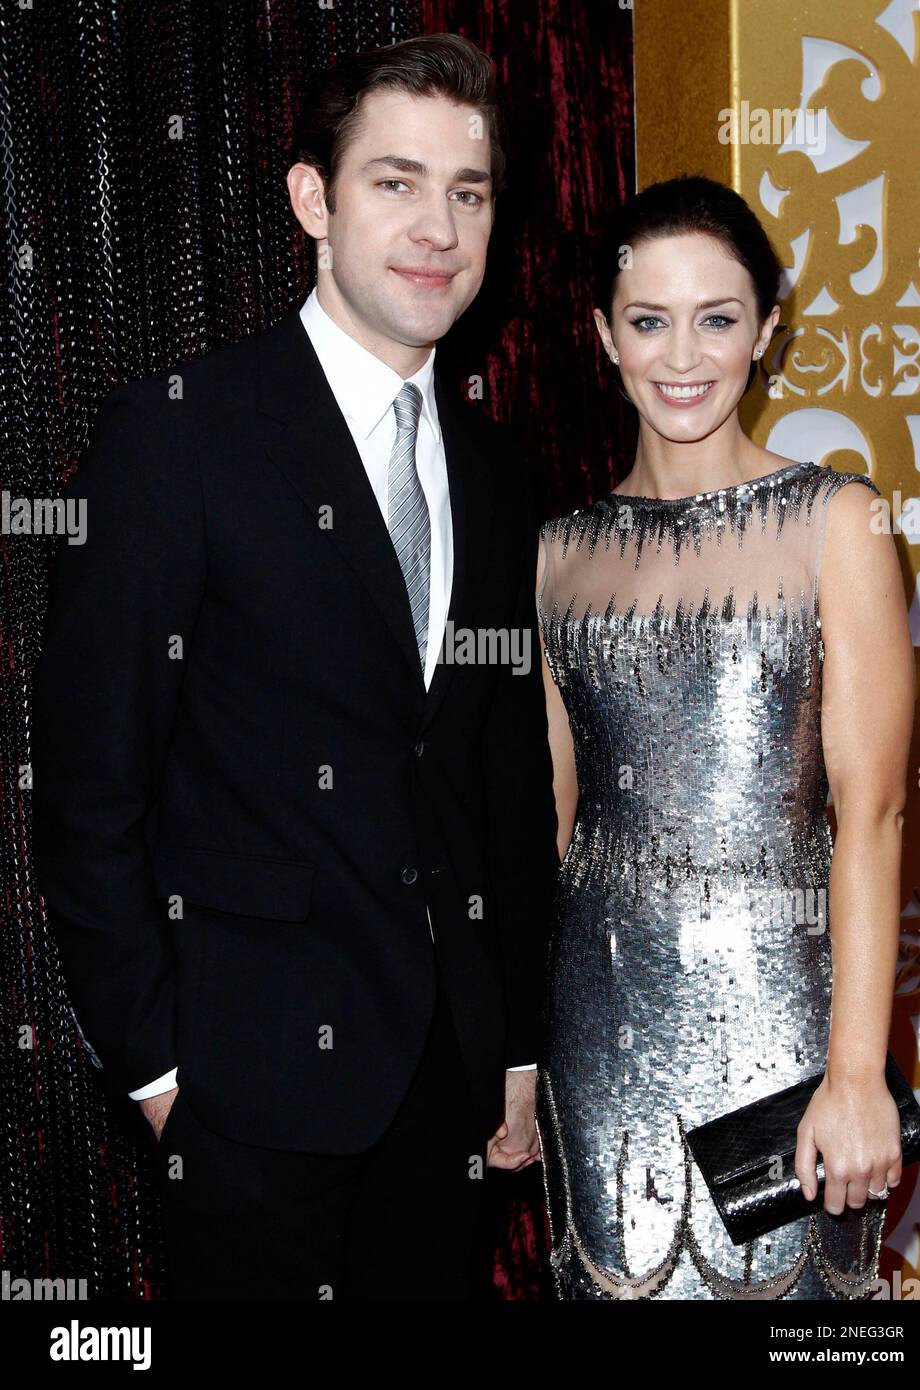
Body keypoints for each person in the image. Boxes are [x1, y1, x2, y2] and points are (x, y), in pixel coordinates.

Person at [30, 33, 558, 1300]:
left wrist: (517, 1046)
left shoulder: (495, 472)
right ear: (313, 199)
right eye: (395, 181)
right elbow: (88, 788)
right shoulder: (179, 437)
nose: (438, 226)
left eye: (468, 191)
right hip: (243, 1098)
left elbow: (500, 784)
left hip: (448, 1096)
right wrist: (157, 1077)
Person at [533, 174, 915, 1299]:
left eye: (718, 318)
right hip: (600, 1043)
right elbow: (555, 838)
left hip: (787, 1043)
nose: (682, 355)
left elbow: (876, 809)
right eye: (649, 320)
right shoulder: (559, 553)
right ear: (605, 335)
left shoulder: (833, 520)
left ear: (767, 326)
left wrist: (854, 1075)